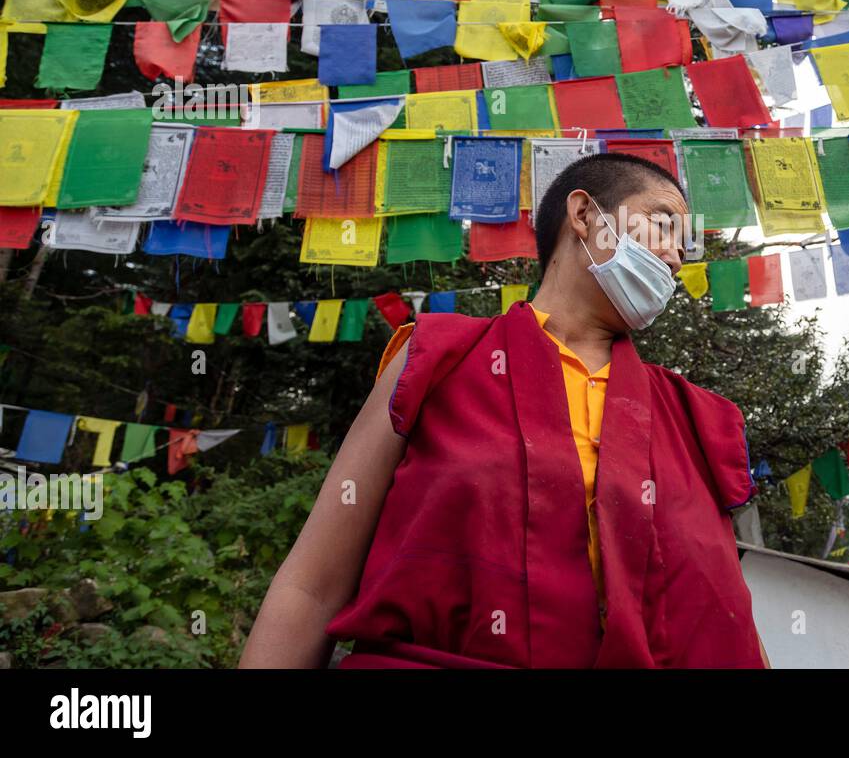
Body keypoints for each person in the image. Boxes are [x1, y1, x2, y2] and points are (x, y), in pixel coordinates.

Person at [240, 152, 769, 668]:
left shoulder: (693, 417)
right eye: (663, 224)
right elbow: (312, 585)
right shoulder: (438, 359)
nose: (677, 257)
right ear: (584, 215)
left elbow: (728, 617)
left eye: (683, 242)